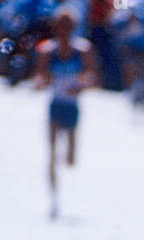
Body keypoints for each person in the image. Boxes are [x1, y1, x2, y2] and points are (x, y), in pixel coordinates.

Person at [34, 7, 97, 217]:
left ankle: (66, 161)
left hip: (72, 105)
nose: (63, 30)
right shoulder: (48, 50)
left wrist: (80, 84)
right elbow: (39, 78)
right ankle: (53, 196)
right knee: (51, 153)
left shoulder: (82, 49)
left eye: (67, 26)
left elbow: (92, 76)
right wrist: (44, 81)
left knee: (70, 158)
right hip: (56, 104)